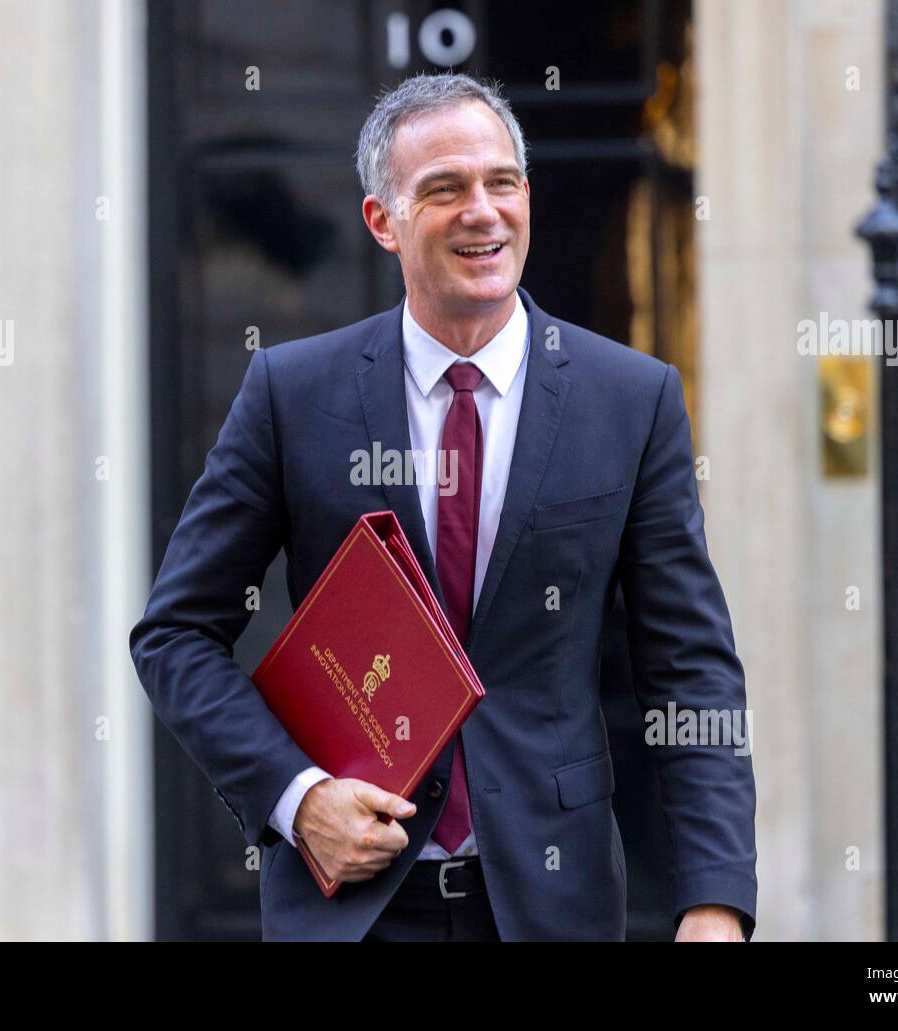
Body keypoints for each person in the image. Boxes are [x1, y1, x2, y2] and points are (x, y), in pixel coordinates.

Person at [130, 70, 757, 942]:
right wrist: (297, 797)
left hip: (552, 905)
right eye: (444, 188)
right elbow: (174, 634)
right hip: (352, 910)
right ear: (382, 221)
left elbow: (691, 670)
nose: (482, 210)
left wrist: (715, 900)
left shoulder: (631, 399)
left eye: (502, 182)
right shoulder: (290, 394)